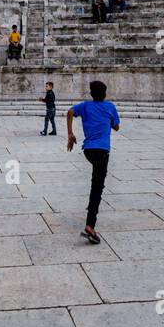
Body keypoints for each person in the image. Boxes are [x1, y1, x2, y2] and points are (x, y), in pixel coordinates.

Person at [66, 80, 121, 245]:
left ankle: (91, 207)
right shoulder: (110, 107)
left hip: (88, 150)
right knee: (97, 187)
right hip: (102, 151)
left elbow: (69, 112)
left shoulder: (85, 106)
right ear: (105, 94)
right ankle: (90, 225)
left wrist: (70, 134)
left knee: (96, 182)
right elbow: (117, 127)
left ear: (91, 94)